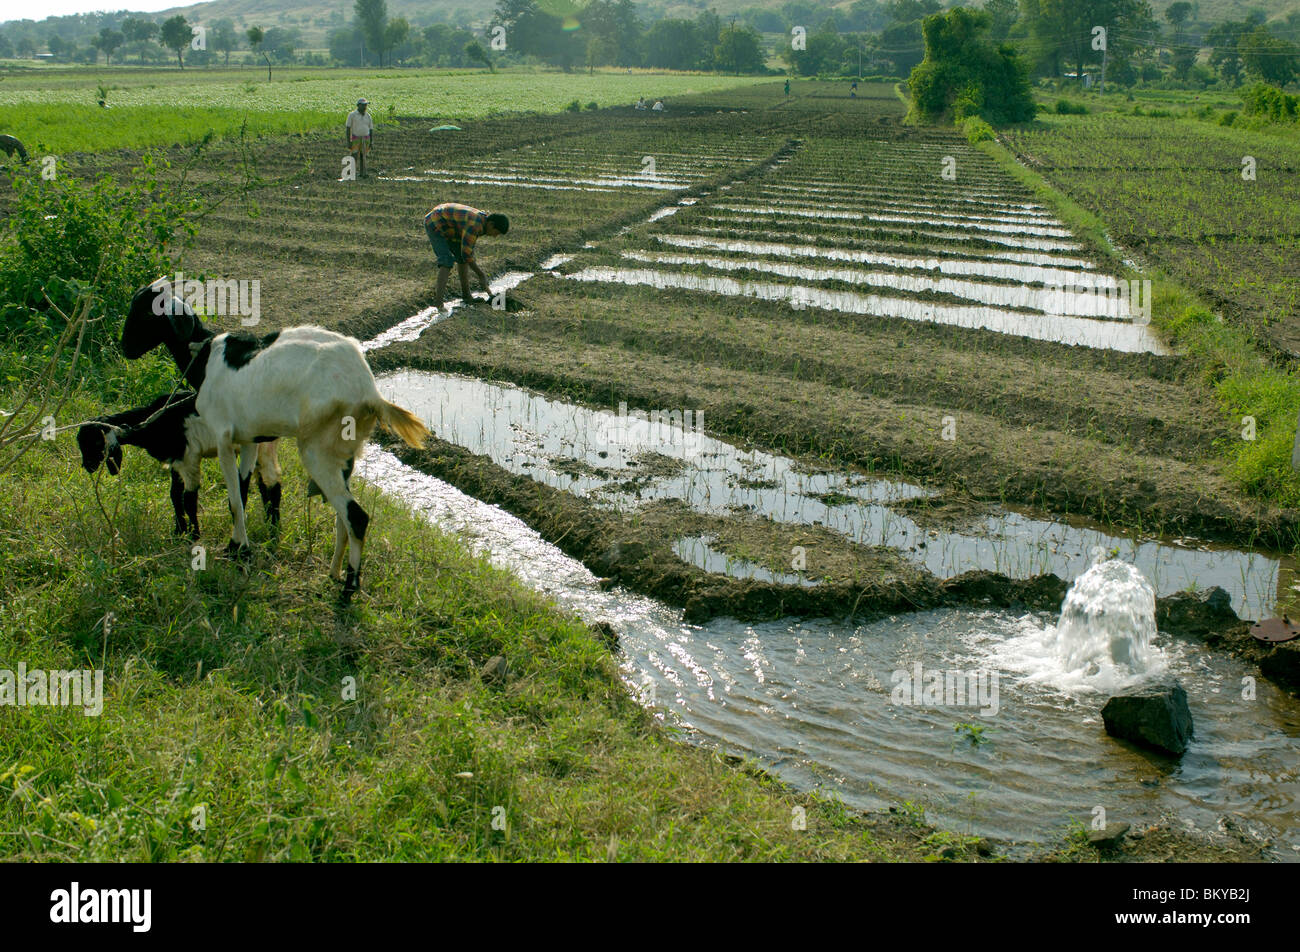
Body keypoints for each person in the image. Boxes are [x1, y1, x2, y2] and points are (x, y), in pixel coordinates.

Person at [423, 202, 510, 309]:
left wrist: (478, 272)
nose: (495, 236)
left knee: (462, 258)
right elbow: (467, 254)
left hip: (452, 226)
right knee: (446, 261)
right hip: (436, 222)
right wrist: (481, 274)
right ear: (491, 224)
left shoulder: (482, 222)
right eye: (496, 232)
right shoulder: (475, 225)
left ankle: (467, 296)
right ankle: (438, 303)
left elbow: (465, 255)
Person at [345, 98, 374, 178]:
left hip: (366, 138)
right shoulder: (352, 115)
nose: (365, 107)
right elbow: (348, 128)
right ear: (358, 106)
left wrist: (371, 141)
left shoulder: (368, 116)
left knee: (363, 156)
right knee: (354, 155)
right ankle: (351, 174)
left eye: (366, 105)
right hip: (355, 138)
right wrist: (348, 141)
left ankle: (363, 173)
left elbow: (371, 129)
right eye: (363, 105)